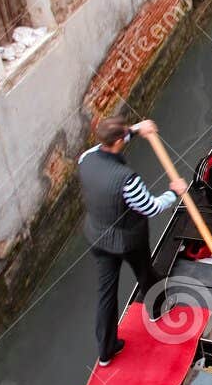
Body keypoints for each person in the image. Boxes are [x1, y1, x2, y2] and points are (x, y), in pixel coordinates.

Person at [78, 115, 187, 366]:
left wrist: (138, 129)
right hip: (128, 240)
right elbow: (150, 208)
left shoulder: (86, 159)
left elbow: (113, 139)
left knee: (106, 294)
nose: (128, 134)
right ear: (117, 142)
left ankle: (105, 352)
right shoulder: (127, 179)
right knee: (145, 272)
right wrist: (174, 191)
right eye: (125, 134)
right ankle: (158, 309)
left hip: (97, 237)